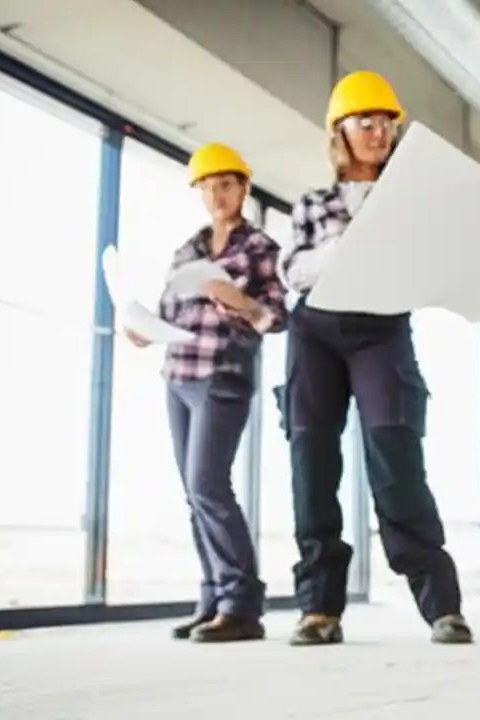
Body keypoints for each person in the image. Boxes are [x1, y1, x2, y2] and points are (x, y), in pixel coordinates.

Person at [278, 70, 473, 647]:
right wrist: (345, 248)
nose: (379, 131)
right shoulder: (314, 203)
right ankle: (319, 609)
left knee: (396, 459)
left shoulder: (408, 198)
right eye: (366, 121)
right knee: (312, 465)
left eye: (387, 122)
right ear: (340, 131)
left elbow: (432, 266)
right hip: (315, 329)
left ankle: (442, 606)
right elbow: (294, 271)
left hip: (381, 328)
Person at [125, 142, 289, 643]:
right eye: (209, 187)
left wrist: (241, 302)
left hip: (223, 375)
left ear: (243, 187)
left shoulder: (259, 247)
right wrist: (143, 329)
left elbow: (277, 318)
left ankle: (242, 605)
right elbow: (167, 314)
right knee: (195, 494)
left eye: (226, 184)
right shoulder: (186, 251)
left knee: (210, 485)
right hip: (178, 376)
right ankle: (213, 598)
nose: (217, 194)